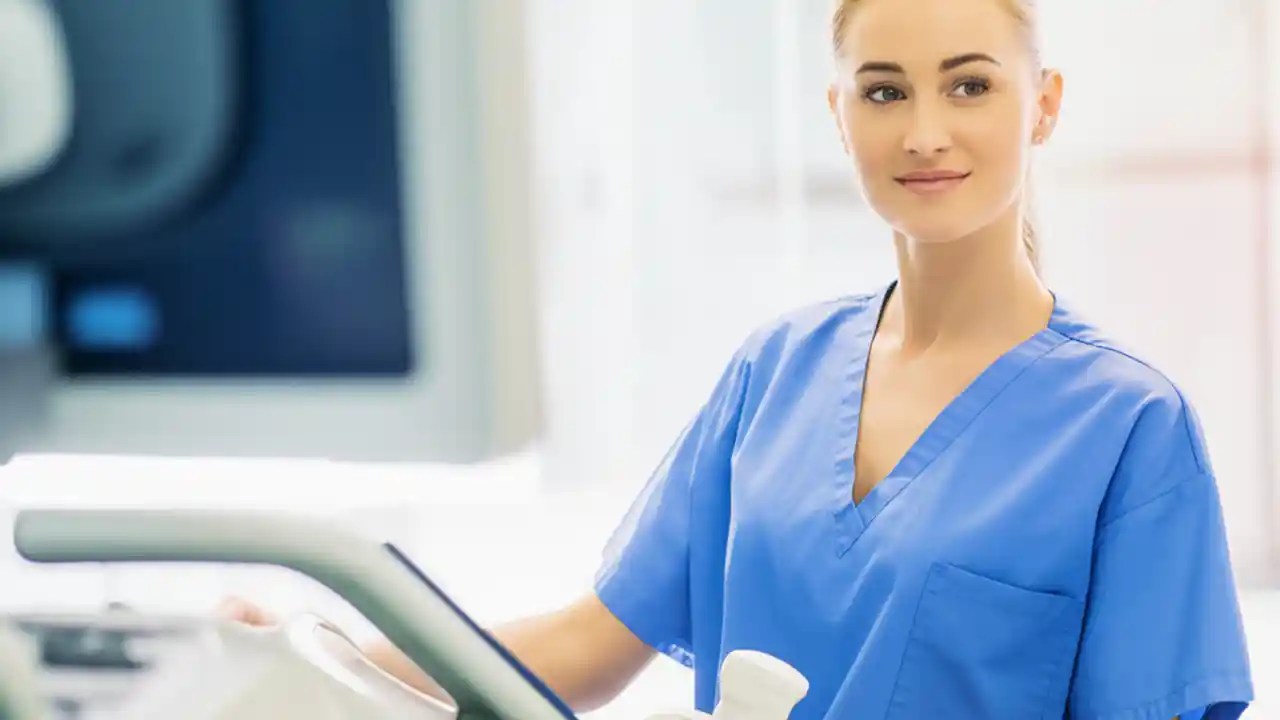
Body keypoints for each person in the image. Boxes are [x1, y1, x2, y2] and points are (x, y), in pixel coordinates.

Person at [221, 0, 1256, 717]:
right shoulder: (779, 371)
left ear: (1042, 104)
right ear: (837, 115)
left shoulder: (1125, 429)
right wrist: (330, 653)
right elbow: (588, 648)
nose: (925, 132)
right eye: (884, 92)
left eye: (969, 85)